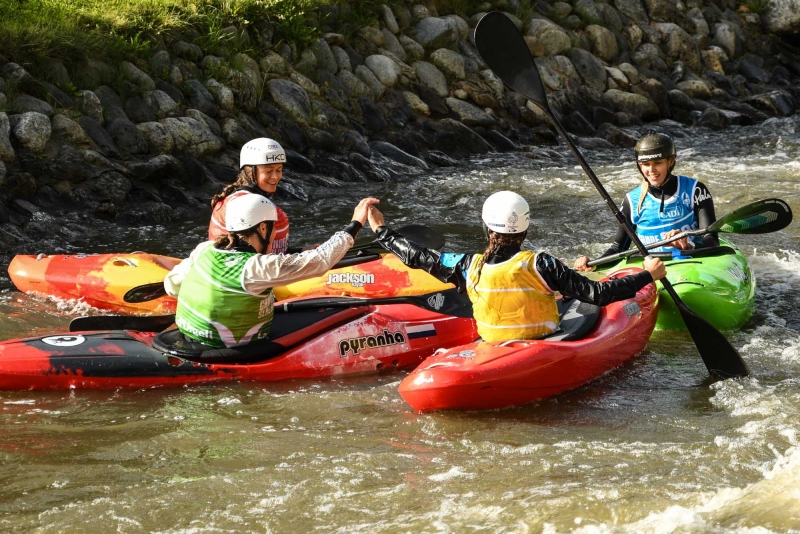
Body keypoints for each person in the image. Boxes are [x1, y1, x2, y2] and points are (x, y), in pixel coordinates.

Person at [366, 191, 666, 343]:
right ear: (524, 229)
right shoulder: (542, 263)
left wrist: (382, 232)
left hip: (495, 344)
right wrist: (647, 275)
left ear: (486, 227)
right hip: (542, 343)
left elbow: (419, 256)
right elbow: (598, 294)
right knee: (570, 296)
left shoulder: (466, 265)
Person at [165, 193, 379, 348]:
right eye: (273, 229)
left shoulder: (205, 249)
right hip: (232, 350)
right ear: (262, 228)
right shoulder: (257, 268)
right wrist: (355, 224)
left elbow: (172, 285)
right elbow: (321, 261)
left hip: (189, 338)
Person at [574, 132, 719, 271]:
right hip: (653, 269)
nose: (651, 170)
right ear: (639, 166)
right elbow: (619, 248)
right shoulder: (632, 200)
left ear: (671, 161)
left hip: (691, 262)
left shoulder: (695, 190)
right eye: (645, 164)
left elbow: (711, 241)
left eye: (657, 163)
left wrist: (688, 246)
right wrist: (593, 264)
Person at [209, 138, 294, 254]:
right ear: (250, 172)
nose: (275, 177)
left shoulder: (247, 201)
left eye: (279, 170)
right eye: (268, 171)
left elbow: (270, 254)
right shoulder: (244, 206)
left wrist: (303, 251)